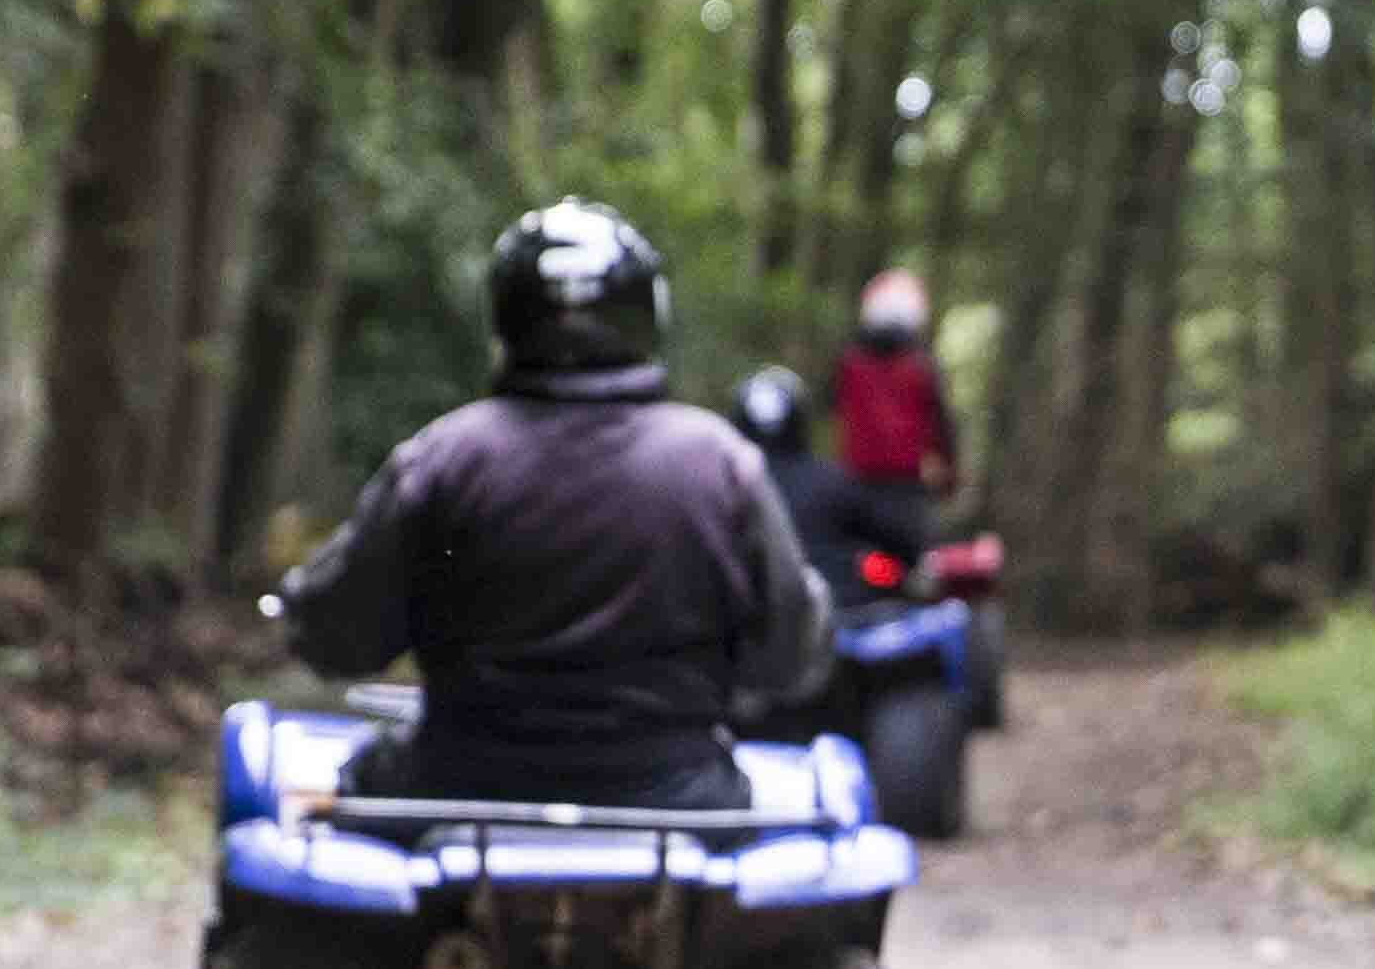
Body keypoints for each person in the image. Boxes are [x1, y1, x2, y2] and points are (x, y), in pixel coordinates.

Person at [276, 199, 831, 811]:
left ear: (507, 315)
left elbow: (339, 636)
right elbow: (791, 656)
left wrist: (303, 606)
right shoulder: (721, 463)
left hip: (458, 786)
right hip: (680, 797)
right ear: (646, 314)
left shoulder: (443, 458)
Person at [822, 267, 954, 568]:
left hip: (853, 488)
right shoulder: (921, 366)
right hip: (903, 495)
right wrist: (948, 478)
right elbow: (942, 429)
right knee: (917, 573)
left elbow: (832, 412)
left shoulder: (848, 363)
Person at [727, 366, 881, 602]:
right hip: (840, 613)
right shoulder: (833, 481)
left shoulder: (727, 491)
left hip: (763, 624)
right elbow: (887, 537)